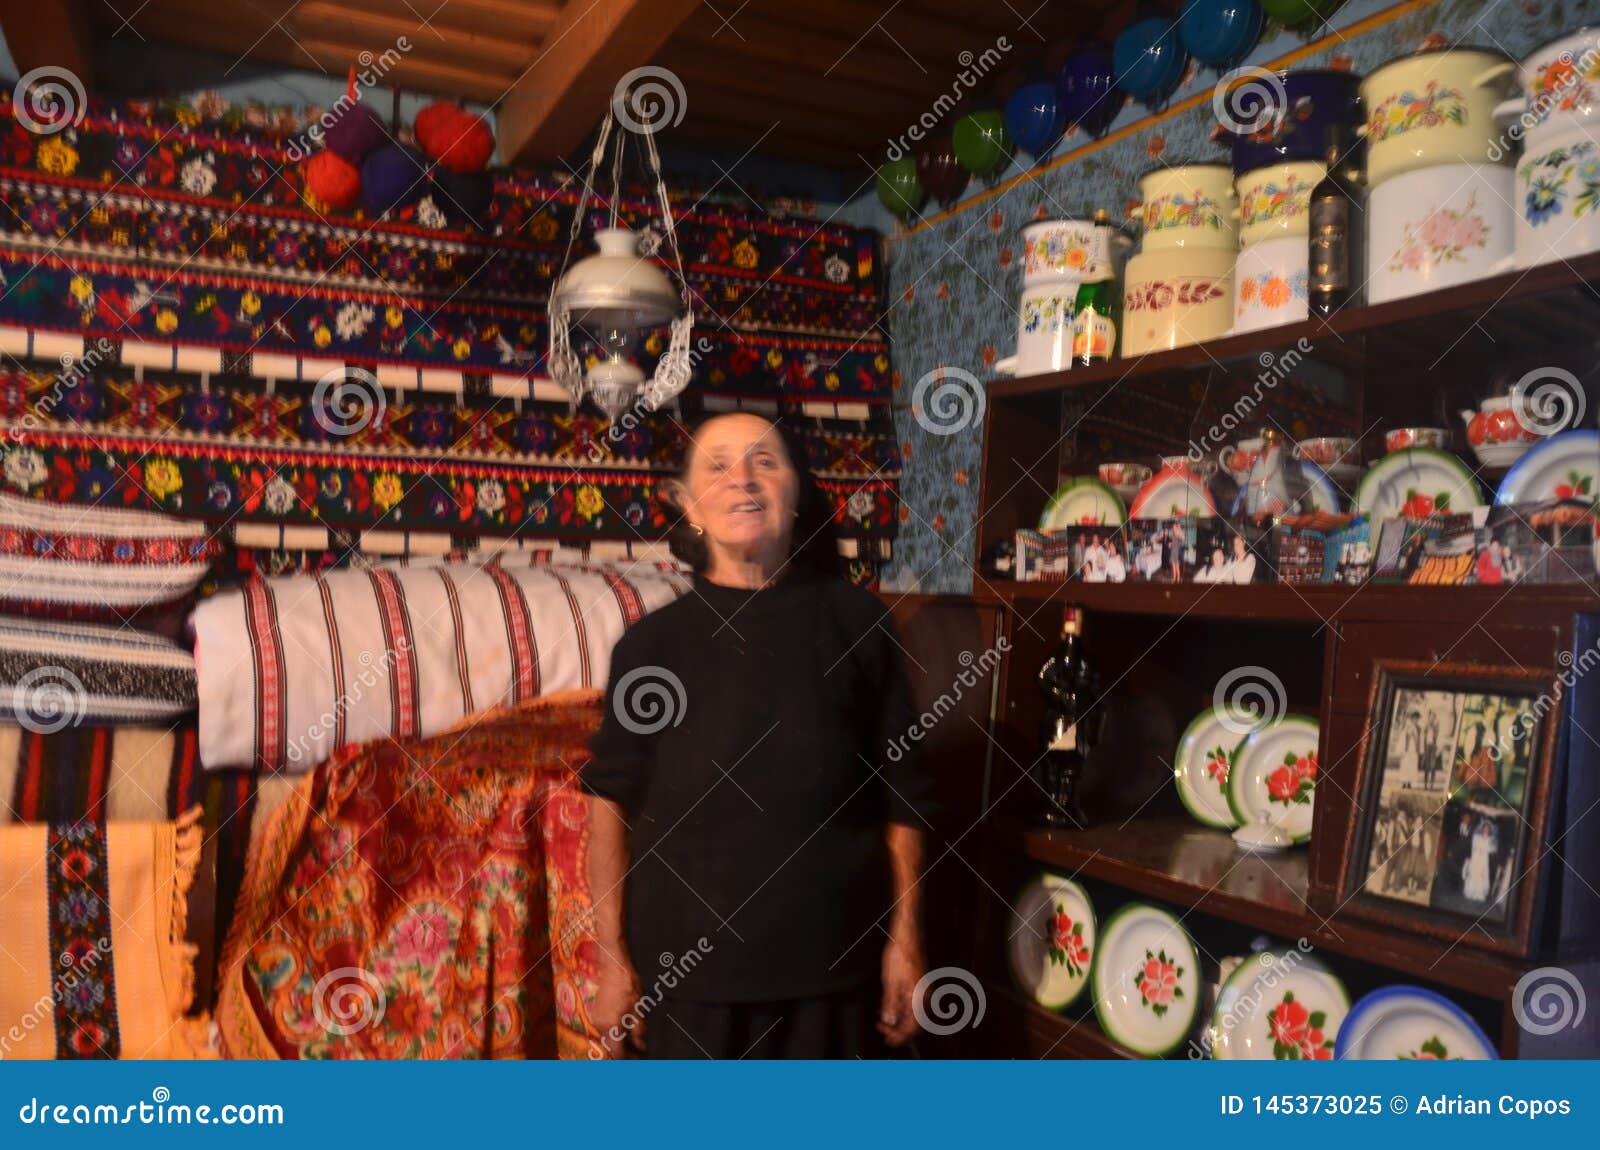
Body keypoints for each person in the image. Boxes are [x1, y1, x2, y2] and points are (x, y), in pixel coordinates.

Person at [582, 413, 938, 1059]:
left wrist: (907, 942)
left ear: (796, 493)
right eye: (717, 466)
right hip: (689, 987)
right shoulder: (650, 647)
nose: (743, 480)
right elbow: (607, 803)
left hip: (835, 981)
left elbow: (904, 795)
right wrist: (612, 964)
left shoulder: (860, 625)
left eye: (765, 462)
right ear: (689, 507)